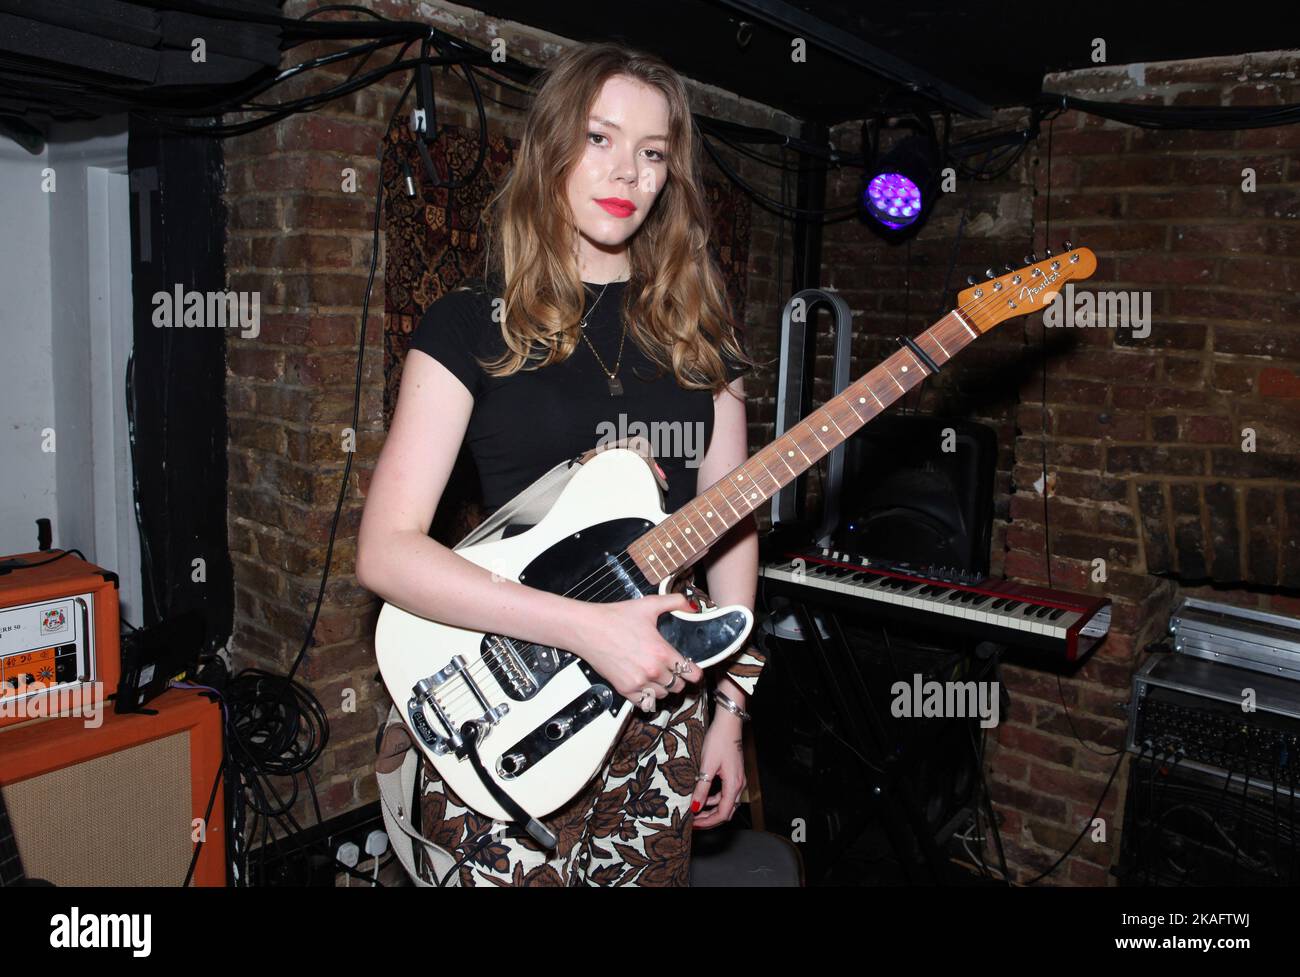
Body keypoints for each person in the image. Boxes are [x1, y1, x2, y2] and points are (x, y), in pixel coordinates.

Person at [357, 41, 765, 887]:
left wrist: (730, 709)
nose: (628, 172)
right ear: (550, 150)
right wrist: (585, 627)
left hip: (660, 705)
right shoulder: (469, 325)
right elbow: (386, 552)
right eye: (601, 138)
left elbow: (732, 529)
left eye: (654, 153)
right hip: (509, 704)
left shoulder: (704, 337)